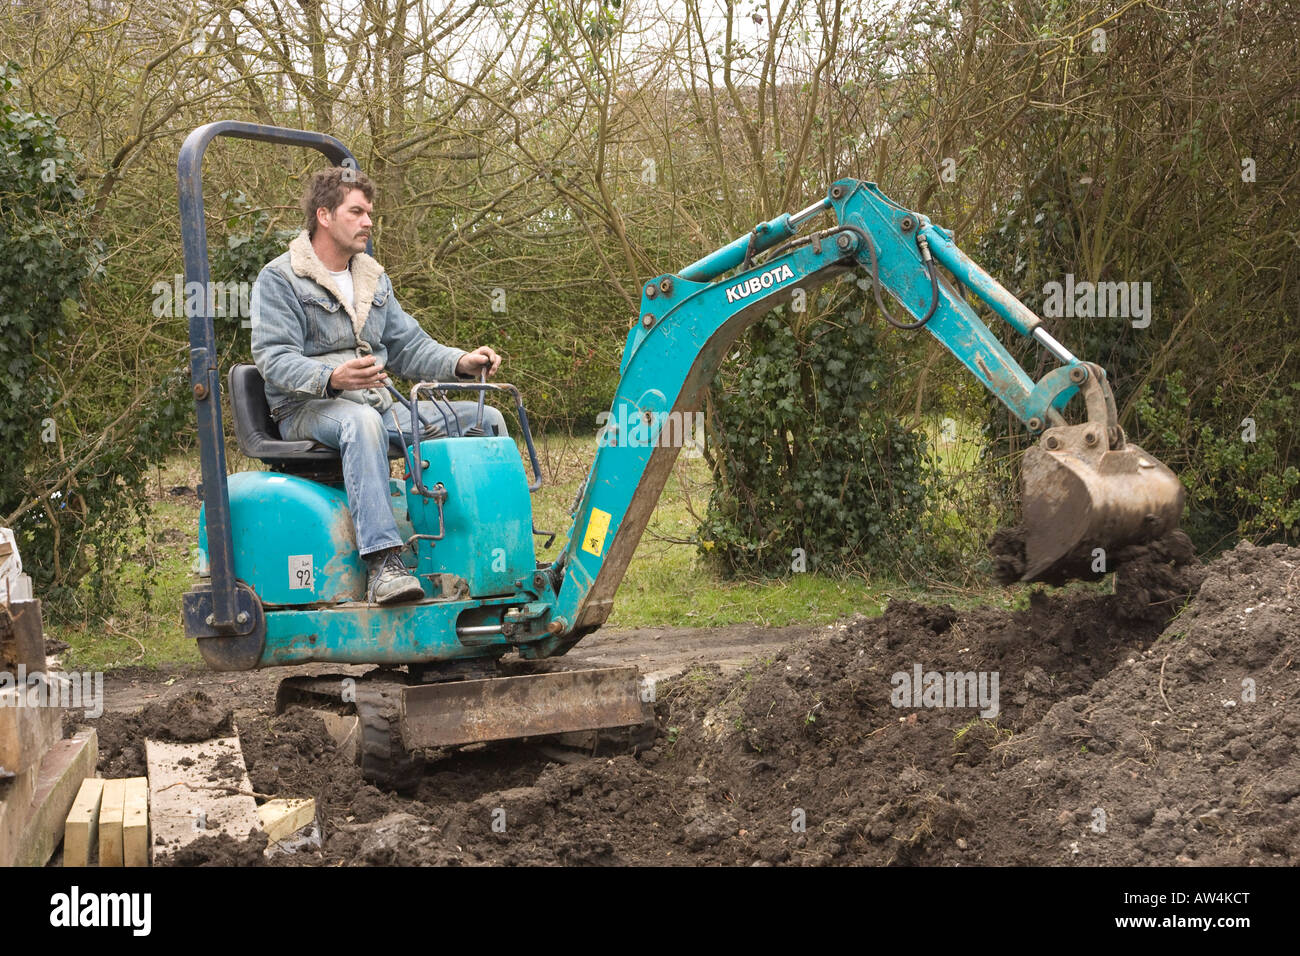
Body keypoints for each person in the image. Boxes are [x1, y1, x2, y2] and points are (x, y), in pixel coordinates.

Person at [250, 167, 507, 605]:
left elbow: (407, 345)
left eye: (370, 212)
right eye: (358, 212)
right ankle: (383, 564)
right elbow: (272, 359)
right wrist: (331, 377)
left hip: (376, 401)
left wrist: (461, 362)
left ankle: (489, 552)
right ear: (325, 215)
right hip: (306, 409)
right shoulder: (281, 278)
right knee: (362, 423)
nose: (369, 221)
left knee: (484, 418)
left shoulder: (372, 277)